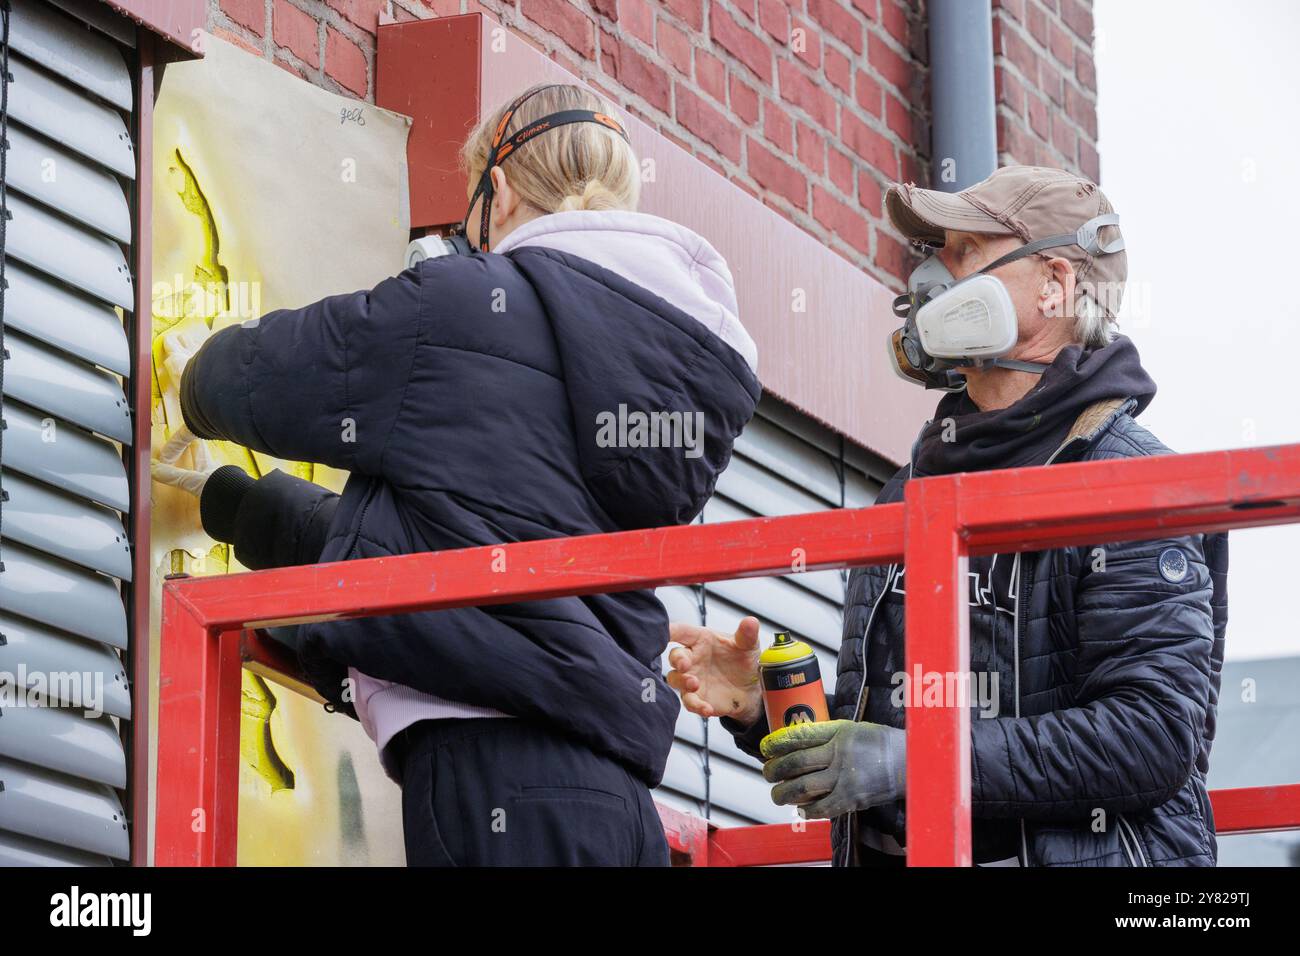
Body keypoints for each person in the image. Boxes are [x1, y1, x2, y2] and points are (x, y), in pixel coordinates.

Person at [152, 82, 762, 866]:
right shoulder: (668, 380)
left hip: (493, 786)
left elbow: (258, 381)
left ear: (496, 192)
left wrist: (188, 377)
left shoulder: (469, 305)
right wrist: (231, 501)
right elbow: (431, 552)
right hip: (620, 812)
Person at [667, 165, 1228, 867]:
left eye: (963, 252)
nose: (931, 275)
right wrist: (765, 707)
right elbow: (878, 745)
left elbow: (1152, 737)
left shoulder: (1128, 482)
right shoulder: (912, 492)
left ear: (1054, 284)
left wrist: (919, 761)